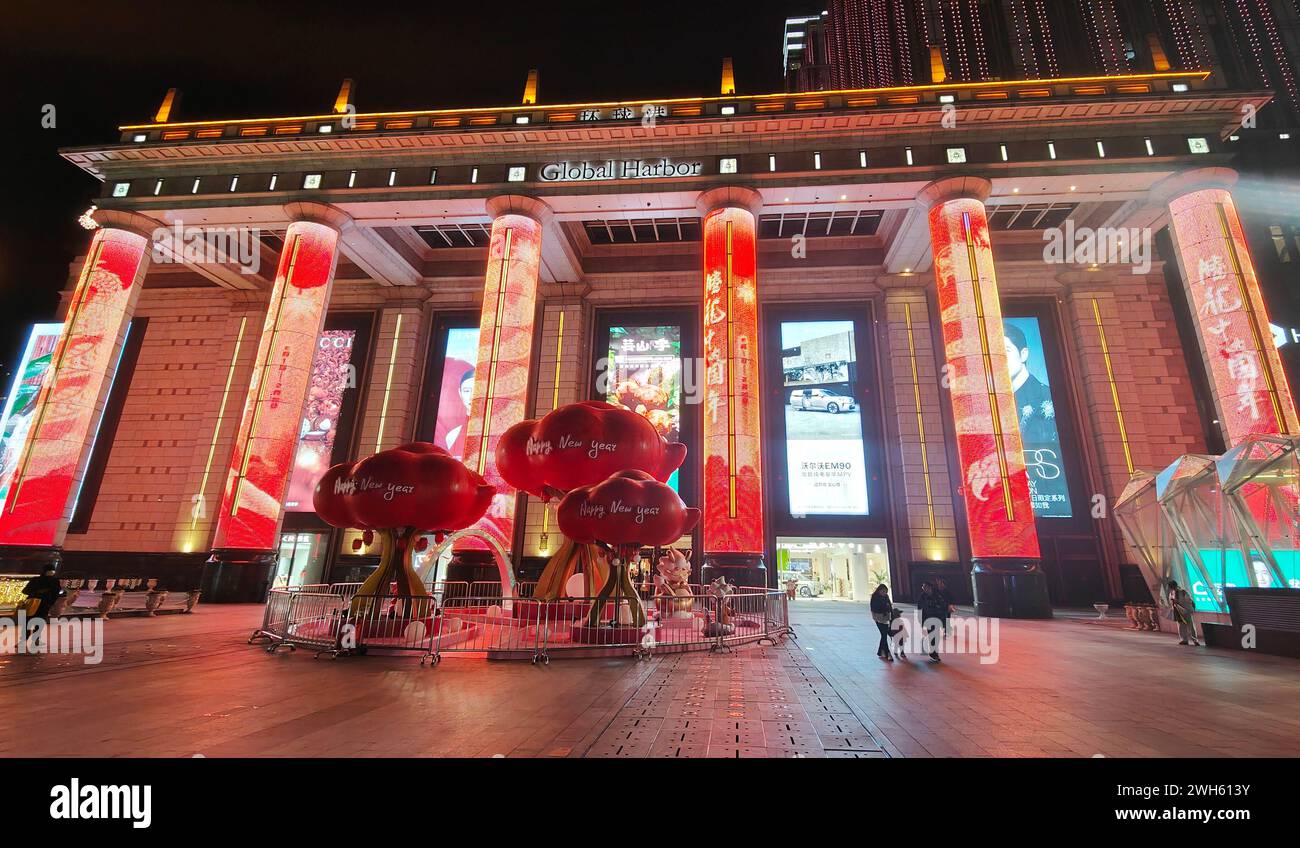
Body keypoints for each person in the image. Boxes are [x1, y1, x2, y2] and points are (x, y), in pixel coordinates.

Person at [21, 568, 64, 645]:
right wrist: (51, 602)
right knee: (39, 622)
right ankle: (35, 639)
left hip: (33, 603)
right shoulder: (54, 581)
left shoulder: (36, 580)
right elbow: (56, 594)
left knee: (28, 621)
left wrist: (36, 592)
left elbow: (25, 591)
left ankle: (25, 639)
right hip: (44, 604)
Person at [917, 581, 946, 662]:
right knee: (932, 636)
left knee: (936, 636)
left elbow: (943, 605)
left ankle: (934, 652)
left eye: (926, 587)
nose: (925, 589)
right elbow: (920, 609)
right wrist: (921, 621)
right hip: (928, 619)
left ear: (930, 587)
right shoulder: (922, 597)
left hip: (937, 617)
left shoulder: (937, 595)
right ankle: (934, 653)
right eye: (923, 588)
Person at [1167, 580, 1200, 646]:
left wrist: (1178, 602)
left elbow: (1189, 600)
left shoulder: (1183, 592)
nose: (1172, 588)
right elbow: (1170, 602)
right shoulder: (1172, 593)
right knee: (1181, 625)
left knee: (1190, 625)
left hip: (1186, 611)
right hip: (1178, 612)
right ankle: (1184, 640)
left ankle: (1195, 640)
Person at [870, 584, 894, 661]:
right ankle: (888, 653)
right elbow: (874, 608)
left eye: (885, 591)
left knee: (883, 635)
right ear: (879, 590)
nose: (884, 593)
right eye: (883, 591)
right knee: (883, 635)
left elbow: (889, 607)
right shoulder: (875, 598)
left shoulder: (886, 597)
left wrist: (891, 616)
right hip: (878, 618)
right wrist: (884, 607)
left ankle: (881, 651)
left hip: (886, 618)